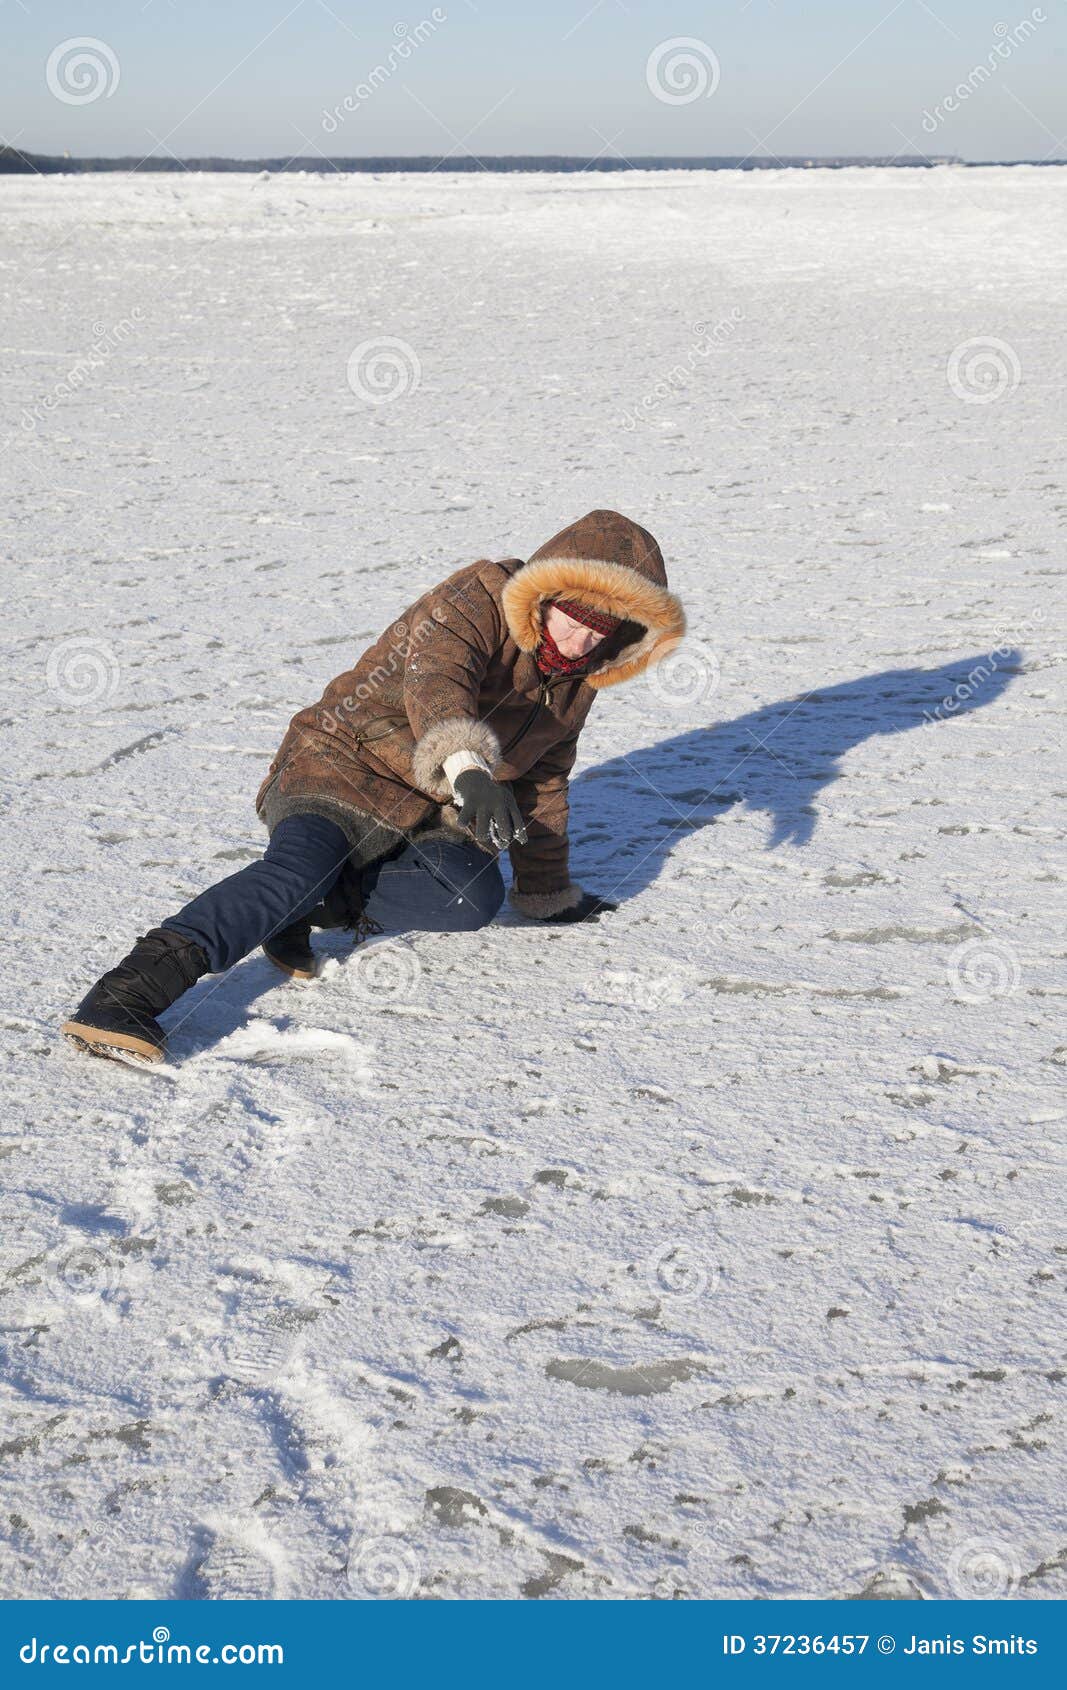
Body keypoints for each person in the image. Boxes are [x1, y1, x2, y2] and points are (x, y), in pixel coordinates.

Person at [62, 509, 686, 1064]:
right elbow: (435, 682)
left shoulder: (577, 682)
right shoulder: (477, 597)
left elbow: (546, 779)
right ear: (545, 593)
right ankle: (126, 993)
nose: (577, 641)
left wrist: (547, 889)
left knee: (470, 899)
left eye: (600, 630)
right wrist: (469, 768)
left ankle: (308, 908)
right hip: (339, 765)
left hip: (428, 813)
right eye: (572, 618)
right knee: (294, 871)